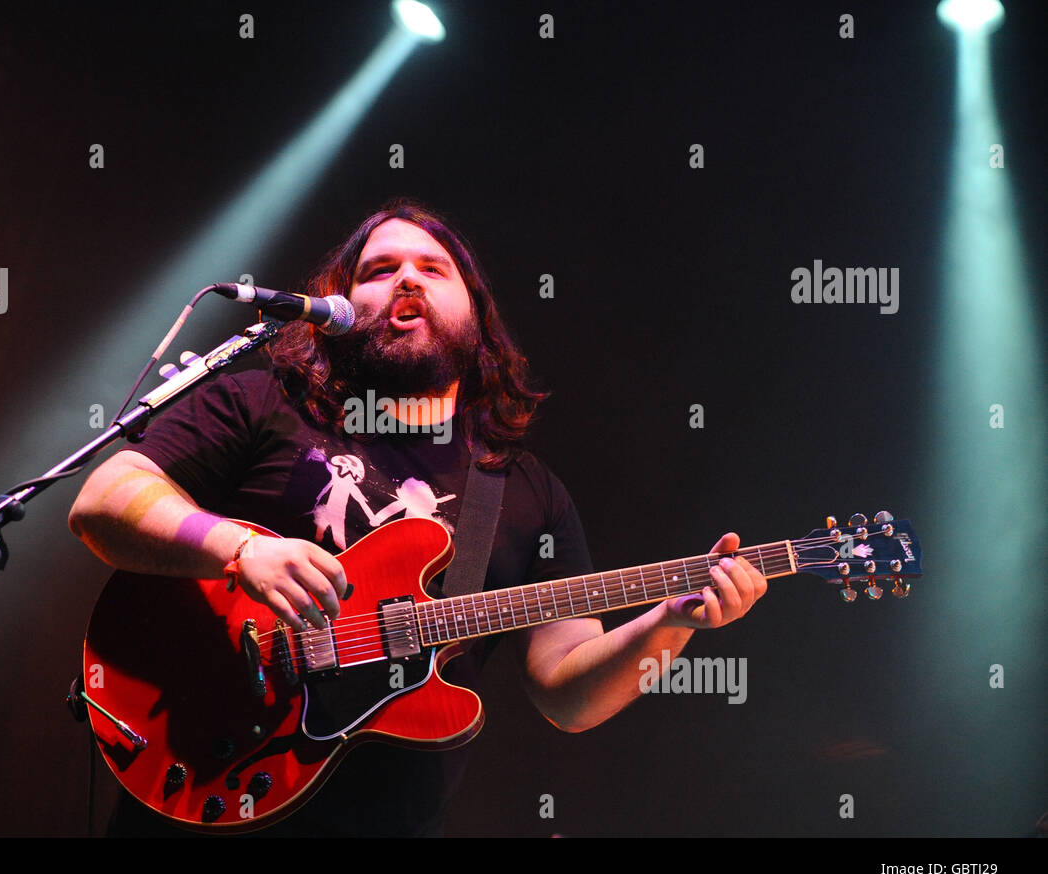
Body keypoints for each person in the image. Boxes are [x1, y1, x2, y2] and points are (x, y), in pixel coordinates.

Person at [67, 199, 768, 836]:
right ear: (336, 303)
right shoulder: (261, 402)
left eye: (433, 267)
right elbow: (104, 500)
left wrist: (670, 623)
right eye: (379, 268)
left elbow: (569, 695)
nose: (407, 278)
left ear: (476, 313)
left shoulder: (528, 492)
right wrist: (238, 548)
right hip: (204, 774)